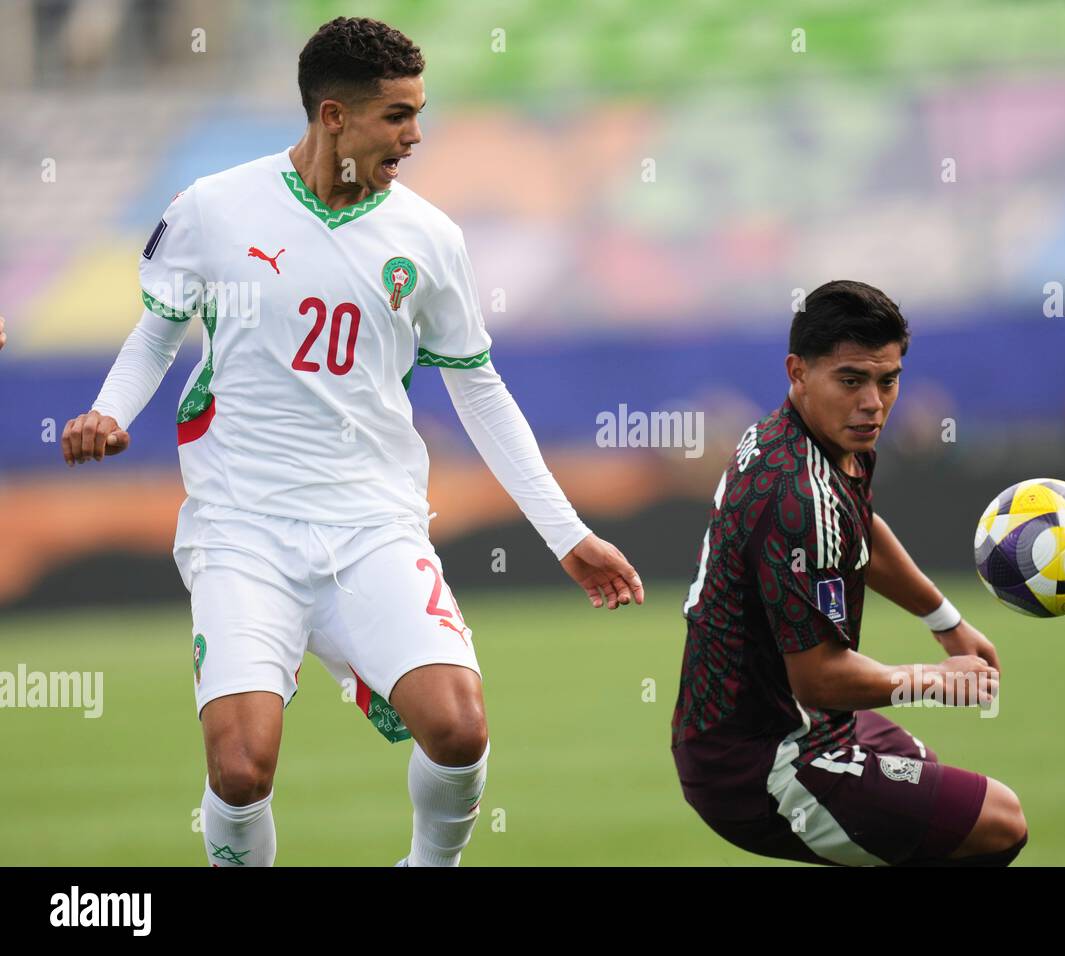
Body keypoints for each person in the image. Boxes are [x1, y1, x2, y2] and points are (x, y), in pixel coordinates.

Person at [61, 16, 643, 867]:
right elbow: (158, 330)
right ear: (334, 116)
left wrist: (567, 533)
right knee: (240, 769)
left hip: (372, 525)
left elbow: (479, 389)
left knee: (458, 727)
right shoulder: (213, 208)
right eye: (398, 116)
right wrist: (110, 410)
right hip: (241, 529)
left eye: (418, 113)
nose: (415, 135)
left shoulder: (429, 239)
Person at [671, 280, 1027, 866]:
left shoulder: (813, 434)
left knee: (931, 801)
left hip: (791, 725)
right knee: (998, 822)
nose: (874, 402)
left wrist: (945, 619)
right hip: (759, 761)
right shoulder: (795, 493)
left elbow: (860, 529)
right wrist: (933, 679)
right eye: (852, 380)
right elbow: (819, 679)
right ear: (797, 371)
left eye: (888, 380)